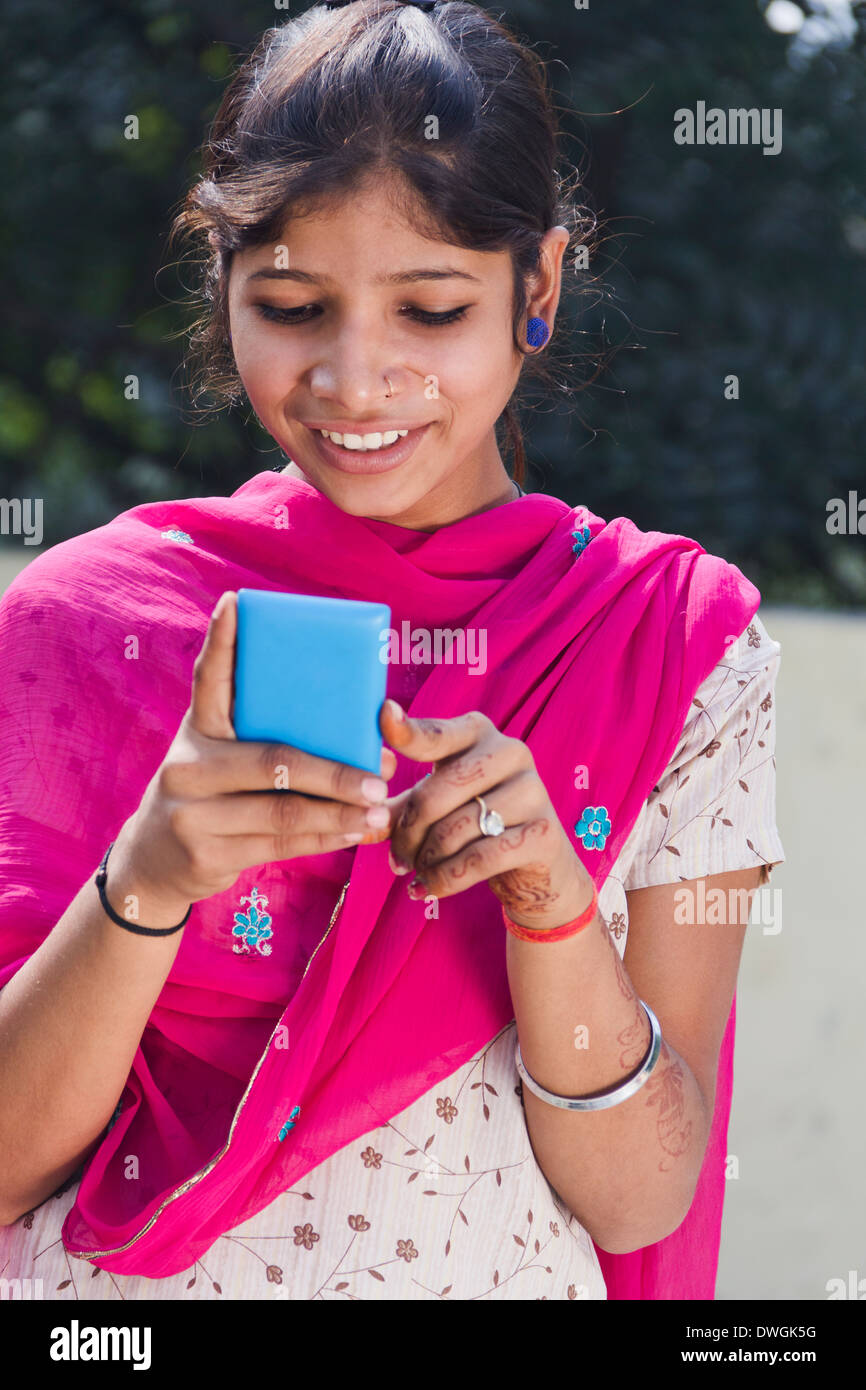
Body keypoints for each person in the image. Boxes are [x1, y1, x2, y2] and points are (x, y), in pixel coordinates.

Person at [0, 0, 784, 1300]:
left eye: (428, 310)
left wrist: (549, 905)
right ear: (222, 282)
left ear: (534, 286)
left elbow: (642, 1194)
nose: (356, 380)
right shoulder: (77, 628)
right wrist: (146, 879)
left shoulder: (672, 645)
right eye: (295, 305)